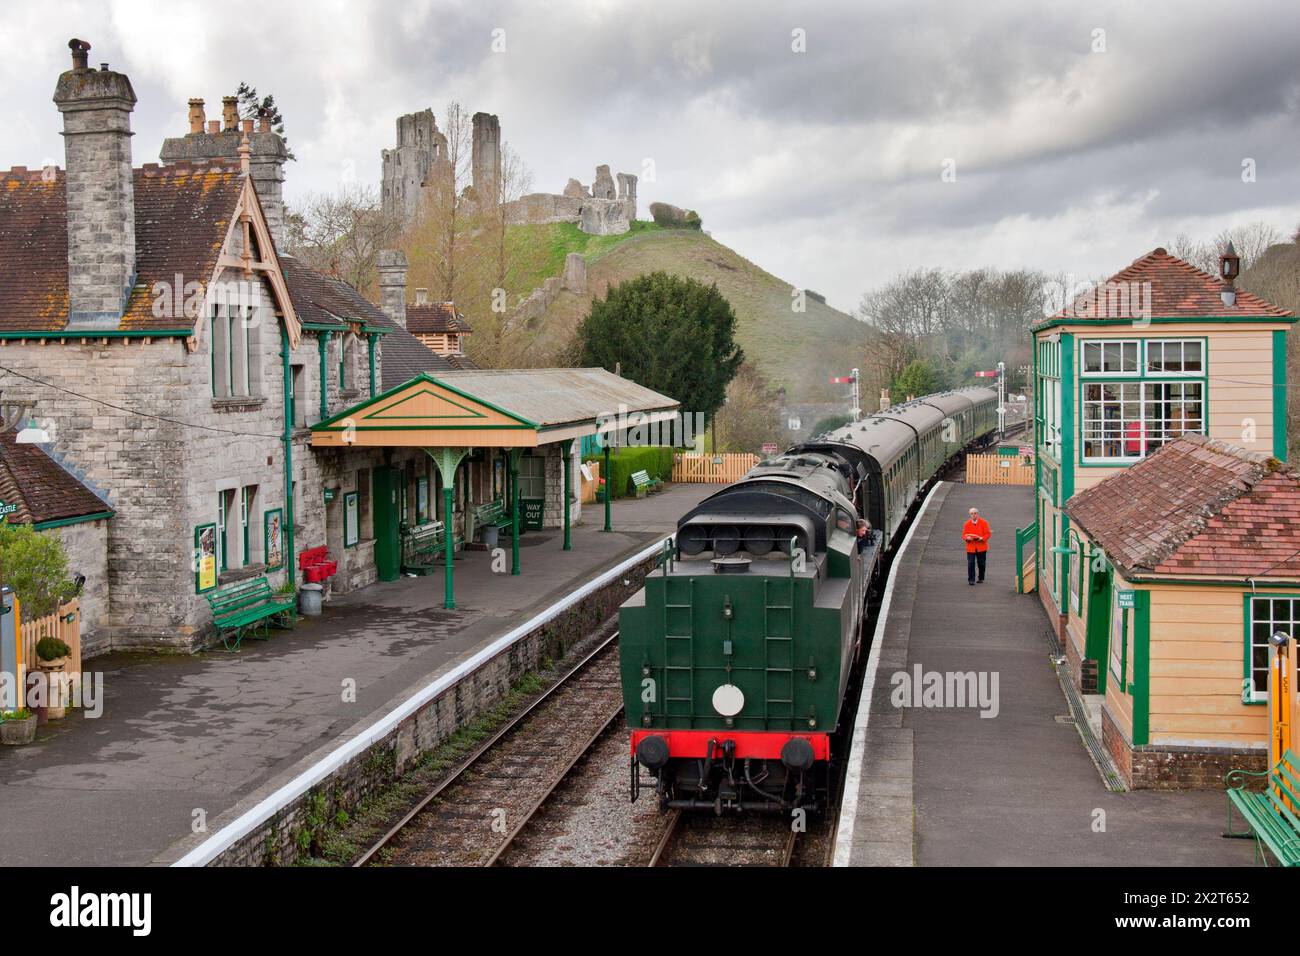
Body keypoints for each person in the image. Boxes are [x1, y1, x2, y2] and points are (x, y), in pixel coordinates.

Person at [962, 507, 992, 585]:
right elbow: (964, 535)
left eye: (975, 513)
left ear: (977, 514)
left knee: (981, 564)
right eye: (971, 513)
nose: (973, 515)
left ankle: (981, 578)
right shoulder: (967, 524)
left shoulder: (984, 522)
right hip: (971, 547)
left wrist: (982, 538)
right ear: (970, 515)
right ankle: (971, 580)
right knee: (970, 563)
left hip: (981, 547)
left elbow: (988, 534)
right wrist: (967, 538)